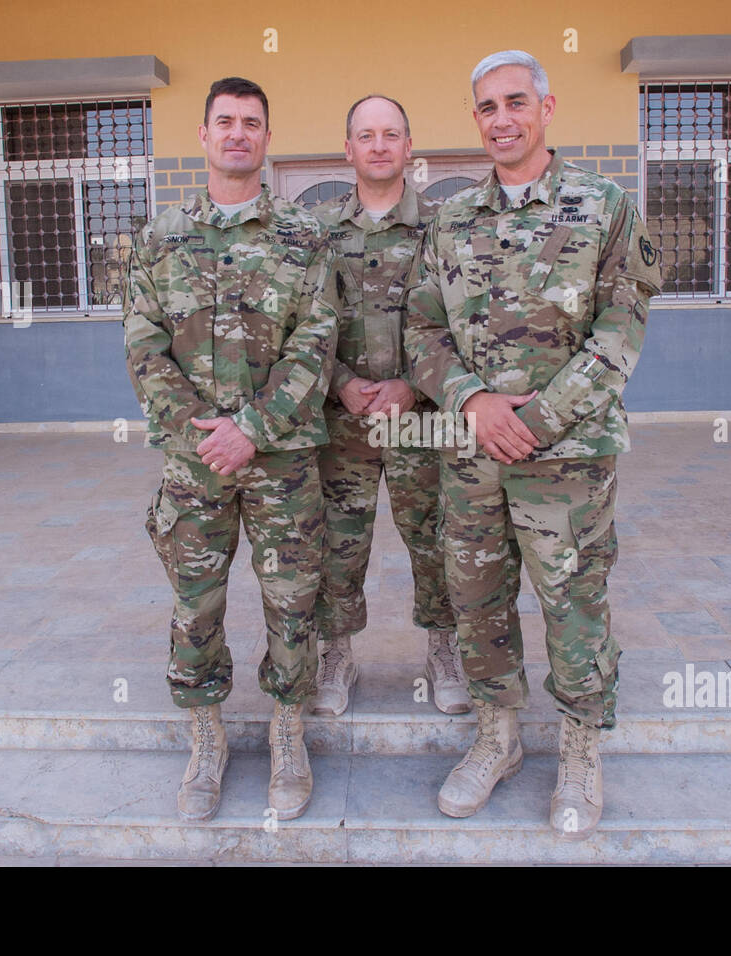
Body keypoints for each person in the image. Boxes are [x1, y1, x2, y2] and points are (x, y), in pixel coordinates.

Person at [404, 50, 662, 839]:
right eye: (486, 107)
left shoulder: (605, 206)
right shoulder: (449, 220)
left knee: (574, 605)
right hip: (472, 458)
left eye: (516, 101)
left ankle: (581, 750)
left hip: (568, 463)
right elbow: (421, 332)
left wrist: (538, 420)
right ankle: (498, 740)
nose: (501, 119)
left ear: (547, 108)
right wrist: (474, 402)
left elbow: (623, 330)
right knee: (477, 604)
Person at [124, 76, 338, 823]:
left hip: (282, 463)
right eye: (226, 121)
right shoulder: (158, 239)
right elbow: (145, 349)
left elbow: (316, 344)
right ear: (204, 135)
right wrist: (202, 435)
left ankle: (287, 732)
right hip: (193, 469)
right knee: (195, 604)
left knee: (292, 602)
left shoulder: (305, 239)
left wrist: (253, 427)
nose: (239, 133)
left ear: (267, 137)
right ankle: (206, 738)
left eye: (252, 122)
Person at [308, 94, 467, 718]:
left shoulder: (445, 227)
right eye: (366, 135)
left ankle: (444, 648)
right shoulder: (316, 231)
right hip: (340, 420)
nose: (379, 145)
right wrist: (342, 382)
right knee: (336, 541)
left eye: (391, 134)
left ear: (409, 148)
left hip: (422, 419)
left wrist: (414, 385)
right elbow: (301, 325)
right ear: (347, 149)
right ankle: (337, 654)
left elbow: (462, 321)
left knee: (436, 536)